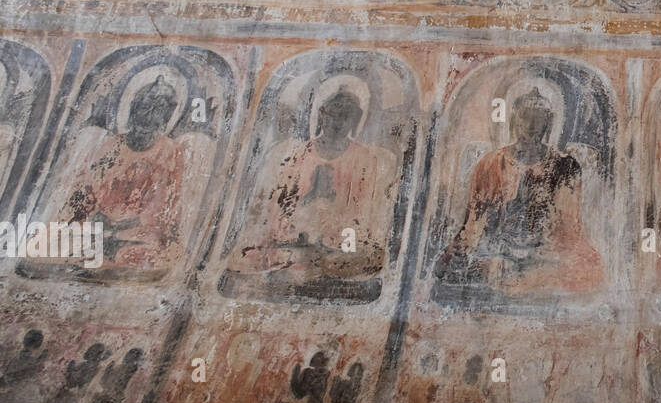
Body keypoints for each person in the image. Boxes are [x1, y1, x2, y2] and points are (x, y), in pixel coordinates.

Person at [436, 87, 601, 294]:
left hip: (543, 255)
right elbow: (475, 222)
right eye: (525, 117)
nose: (532, 125)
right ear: (514, 120)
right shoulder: (489, 164)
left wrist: (538, 236)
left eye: (539, 118)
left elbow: (567, 230)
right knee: (459, 266)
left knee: (589, 267)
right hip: (498, 250)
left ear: (548, 123)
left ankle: (523, 280)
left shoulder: (565, 167)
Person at [237, 82, 397, 280]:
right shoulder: (297, 156)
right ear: (321, 115)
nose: (337, 122)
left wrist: (331, 199)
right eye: (332, 114)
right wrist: (310, 196)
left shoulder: (365, 160)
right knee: (250, 258)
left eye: (346, 116)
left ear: (355, 121)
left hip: (341, 247)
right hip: (296, 245)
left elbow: (365, 214)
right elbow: (277, 211)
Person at [58, 74, 188, 270]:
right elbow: (88, 192)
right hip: (97, 227)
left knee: (153, 255)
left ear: (165, 118)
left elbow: (165, 209)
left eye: (157, 111)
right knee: (57, 245)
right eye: (144, 108)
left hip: (137, 233)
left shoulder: (171, 151)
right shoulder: (111, 145)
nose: (148, 117)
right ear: (133, 110)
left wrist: (118, 232)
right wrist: (86, 219)